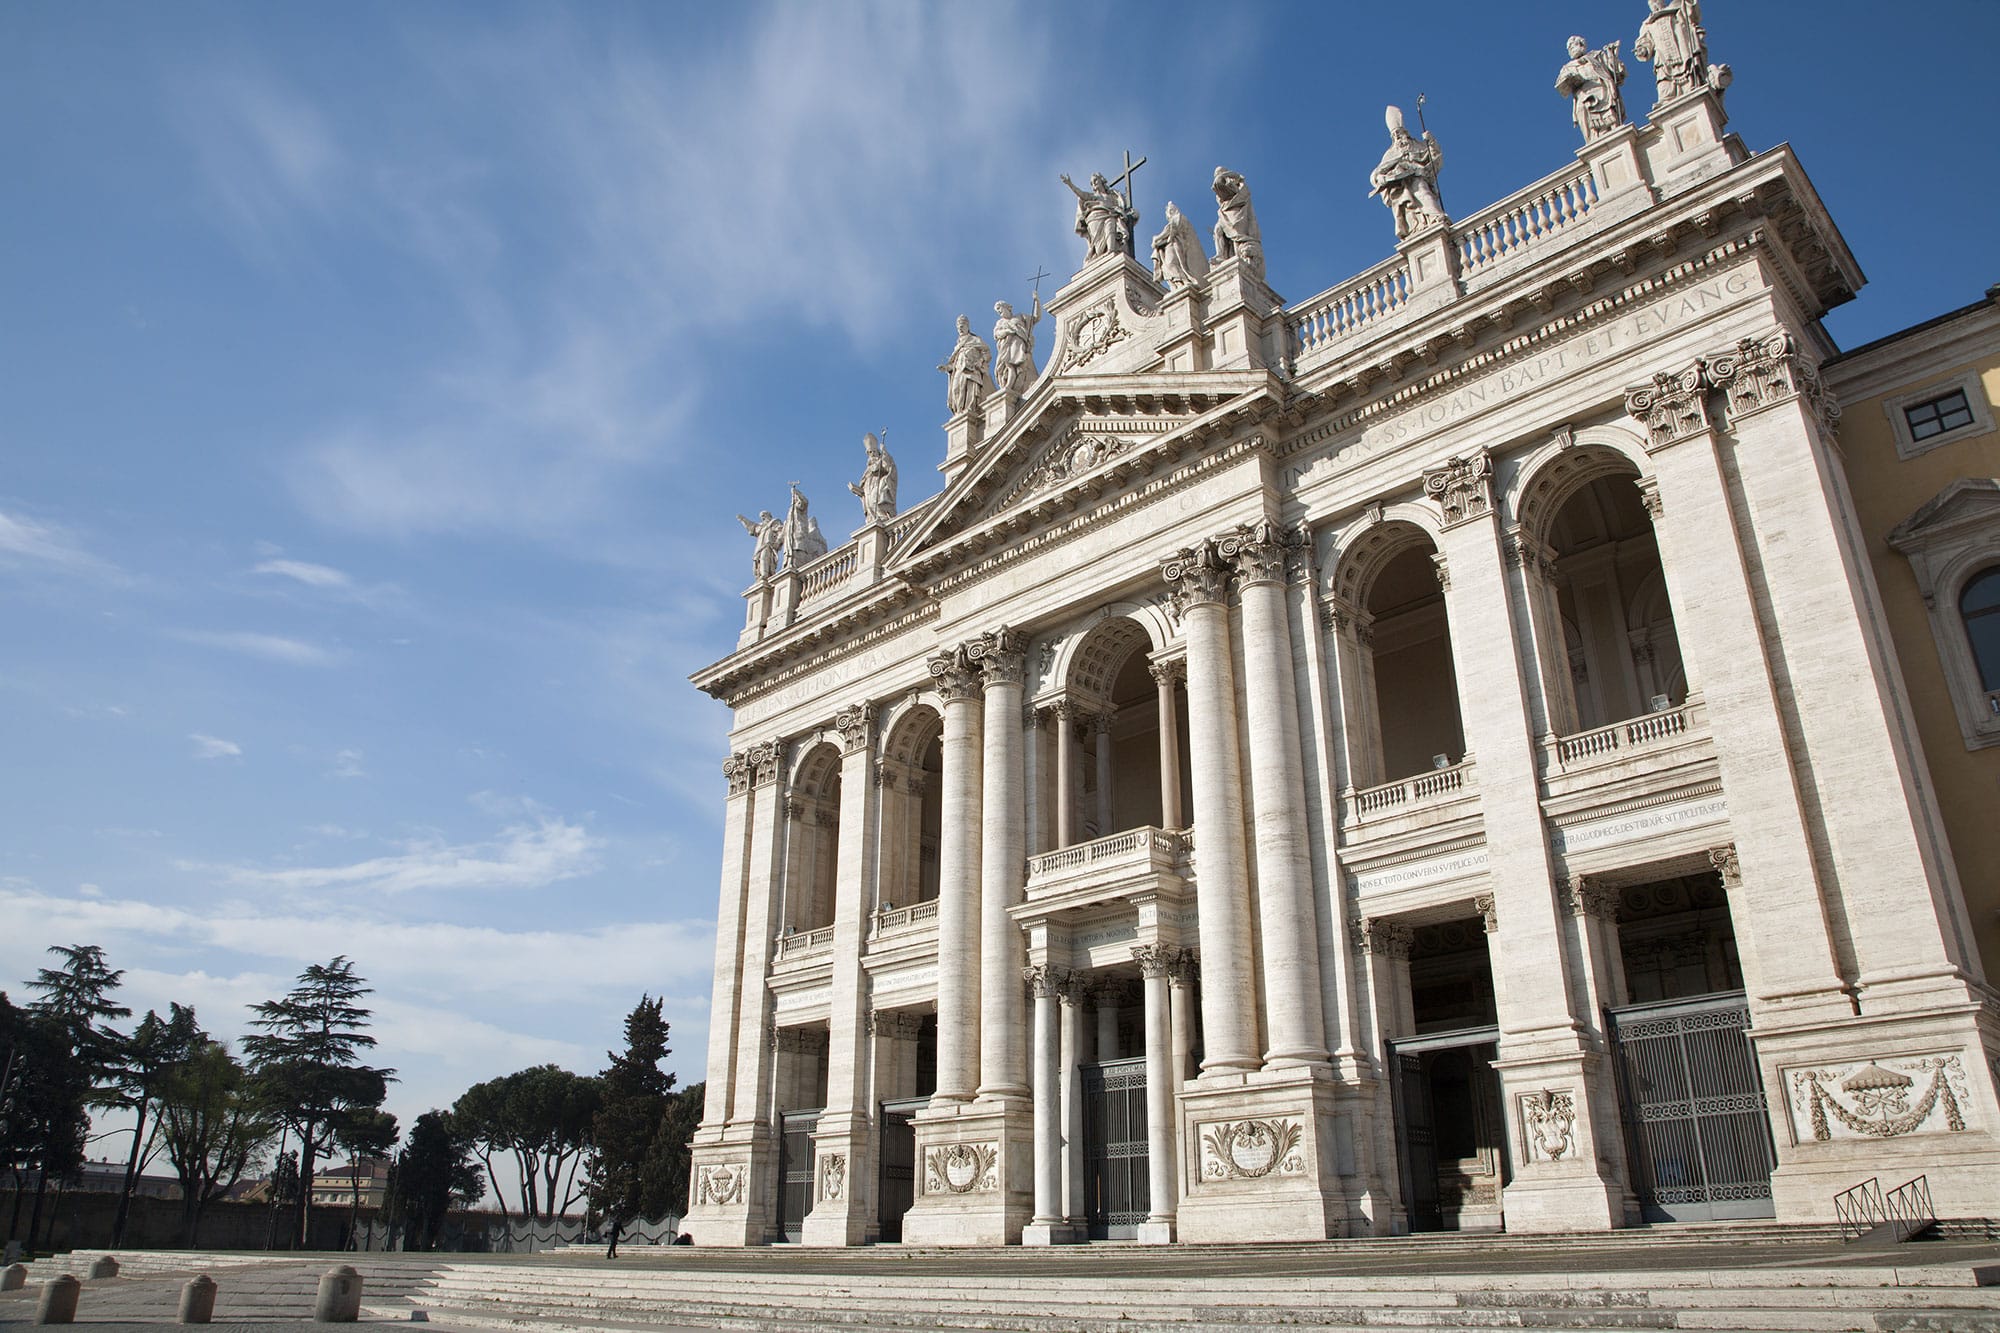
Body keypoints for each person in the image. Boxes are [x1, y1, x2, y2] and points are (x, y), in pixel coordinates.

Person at [1369, 105, 1446, 240]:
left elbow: (1435, 158)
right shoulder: (1390, 153)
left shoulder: (1418, 145)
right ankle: (1419, 225)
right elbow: (1375, 174)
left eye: (1400, 133)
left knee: (1421, 190)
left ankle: (1434, 217)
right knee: (1407, 202)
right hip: (1401, 187)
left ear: (1406, 133)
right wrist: (1381, 177)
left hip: (1418, 177)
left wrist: (1431, 142)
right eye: (1395, 135)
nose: (1399, 137)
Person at [1633, 0, 1726, 104]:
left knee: (1688, 68)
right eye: (1651, 2)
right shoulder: (1648, 23)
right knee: (1663, 77)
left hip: (1681, 48)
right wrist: (1642, 50)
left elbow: (1691, 13)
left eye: (1656, 0)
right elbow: (1644, 41)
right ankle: (1667, 97)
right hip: (1662, 56)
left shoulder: (1676, 9)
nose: (1654, 3)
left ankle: (1691, 86)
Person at [1556, 35, 1628, 142]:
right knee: (1583, 113)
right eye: (1569, 48)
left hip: (1602, 91)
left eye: (1572, 46)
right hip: (1583, 95)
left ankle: (1611, 135)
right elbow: (1560, 85)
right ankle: (1593, 140)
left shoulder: (1596, 56)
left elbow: (1615, 71)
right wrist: (1569, 79)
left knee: (1609, 117)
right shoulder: (1567, 67)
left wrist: (1611, 55)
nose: (1570, 50)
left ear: (1581, 45)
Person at [1060, 171, 1136, 260]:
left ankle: (1111, 250)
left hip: (1110, 216)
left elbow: (1120, 207)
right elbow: (1081, 194)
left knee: (1110, 225)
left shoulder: (1112, 196)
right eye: (1092, 183)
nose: (1094, 184)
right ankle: (1100, 252)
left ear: (1101, 180)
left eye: (1095, 180)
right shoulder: (1093, 196)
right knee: (1098, 245)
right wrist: (1070, 184)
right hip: (1094, 219)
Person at [1210, 168, 1265, 279]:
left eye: (1220, 174)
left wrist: (1232, 177)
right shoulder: (1221, 186)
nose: (1218, 176)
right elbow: (1218, 187)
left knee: (1236, 235)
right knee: (1217, 230)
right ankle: (1221, 255)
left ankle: (1238, 256)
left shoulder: (1241, 186)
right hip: (1225, 213)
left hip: (1238, 213)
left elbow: (1242, 196)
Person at [937, 315, 994, 415]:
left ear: (967, 326)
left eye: (962, 326)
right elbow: (955, 364)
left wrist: (980, 362)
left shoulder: (975, 340)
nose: (961, 329)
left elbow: (987, 353)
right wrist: (946, 368)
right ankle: (959, 412)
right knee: (956, 390)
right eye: (959, 327)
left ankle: (969, 411)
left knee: (970, 391)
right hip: (959, 371)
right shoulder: (958, 346)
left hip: (971, 370)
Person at [1152, 201, 1210, 291]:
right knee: (1165, 266)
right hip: (1169, 246)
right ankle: (1178, 284)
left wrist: (1156, 238)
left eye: (1172, 210)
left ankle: (1184, 281)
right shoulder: (1172, 222)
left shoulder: (1179, 218)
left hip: (1176, 245)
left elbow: (1171, 230)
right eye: (1169, 211)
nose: (1171, 212)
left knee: (1171, 263)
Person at [991, 296, 1043, 395]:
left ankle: (1009, 386)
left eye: (999, 309)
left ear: (1007, 307)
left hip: (1017, 344)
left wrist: (1036, 301)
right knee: (1007, 366)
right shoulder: (1000, 322)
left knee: (1013, 364)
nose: (998, 312)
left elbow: (1036, 317)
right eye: (997, 311)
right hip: (1006, 346)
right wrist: (1007, 331)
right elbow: (996, 334)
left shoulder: (1020, 317)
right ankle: (1009, 386)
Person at [846, 431, 898, 523]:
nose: (872, 454)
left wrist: (884, 453)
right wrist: (856, 489)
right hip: (868, 490)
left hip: (877, 485)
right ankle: (873, 519)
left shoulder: (882, 459)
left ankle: (882, 517)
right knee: (870, 503)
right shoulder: (868, 470)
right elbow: (863, 488)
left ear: (877, 451)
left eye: (874, 451)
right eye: (870, 452)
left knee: (877, 498)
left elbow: (889, 468)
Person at [735, 509, 782, 581]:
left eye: (763, 515)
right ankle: (762, 574)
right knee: (759, 559)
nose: (762, 517)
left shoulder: (774, 522)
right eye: (761, 516)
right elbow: (752, 526)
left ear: (768, 515)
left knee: (764, 557)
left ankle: (765, 574)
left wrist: (778, 542)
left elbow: (781, 531)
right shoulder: (761, 526)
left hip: (768, 544)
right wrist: (743, 520)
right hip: (760, 546)